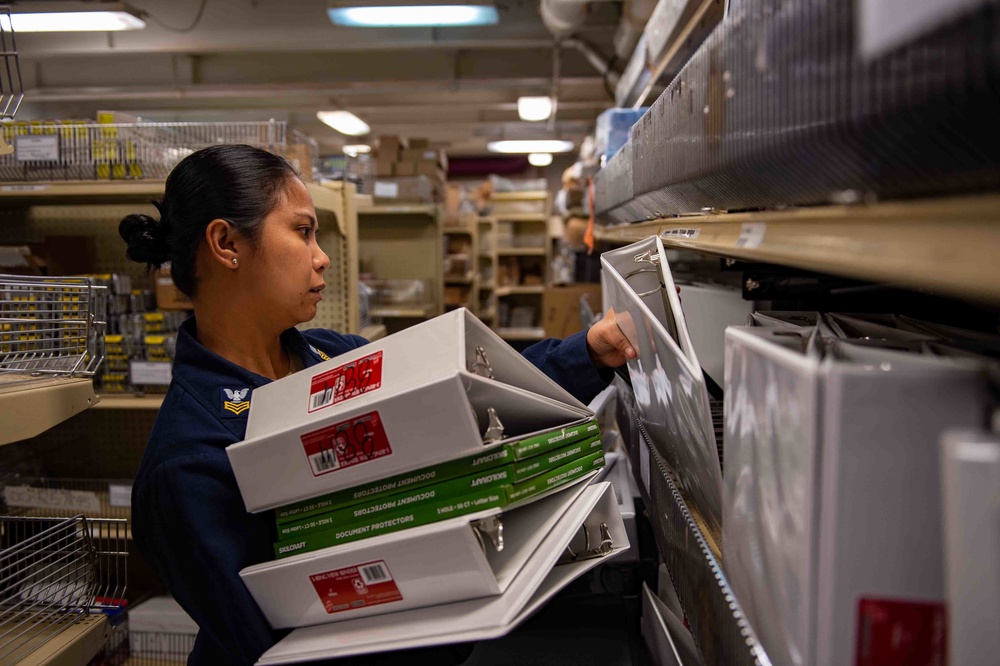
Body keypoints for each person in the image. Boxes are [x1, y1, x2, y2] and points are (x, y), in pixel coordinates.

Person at [122, 145, 636, 665]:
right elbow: (274, 649)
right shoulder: (187, 461)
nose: (322, 256)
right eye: (303, 231)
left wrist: (589, 352)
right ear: (227, 243)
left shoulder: (335, 357)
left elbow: (478, 388)